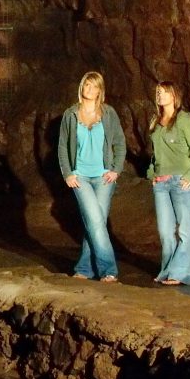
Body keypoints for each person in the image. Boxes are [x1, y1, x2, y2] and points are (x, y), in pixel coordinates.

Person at [56, 71, 126, 282]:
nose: (90, 90)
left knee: (95, 222)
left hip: (104, 176)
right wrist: (68, 173)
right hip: (81, 177)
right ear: (82, 88)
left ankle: (85, 268)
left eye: (95, 86)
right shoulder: (70, 114)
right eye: (87, 85)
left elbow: (120, 143)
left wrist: (116, 169)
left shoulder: (108, 113)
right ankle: (109, 270)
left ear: (100, 90)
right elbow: (61, 146)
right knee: (95, 221)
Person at [147, 81, 190, 286]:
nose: (160, 95)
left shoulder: (184, 120)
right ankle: (168, 271)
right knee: (165, 231)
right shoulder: (156, 121)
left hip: (181, 181)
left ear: (174, 95)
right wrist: (152, 173)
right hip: (161, 183)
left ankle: (182, 274)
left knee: (185, 229)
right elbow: (155, 154)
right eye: (158, 92)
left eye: (165, 92)